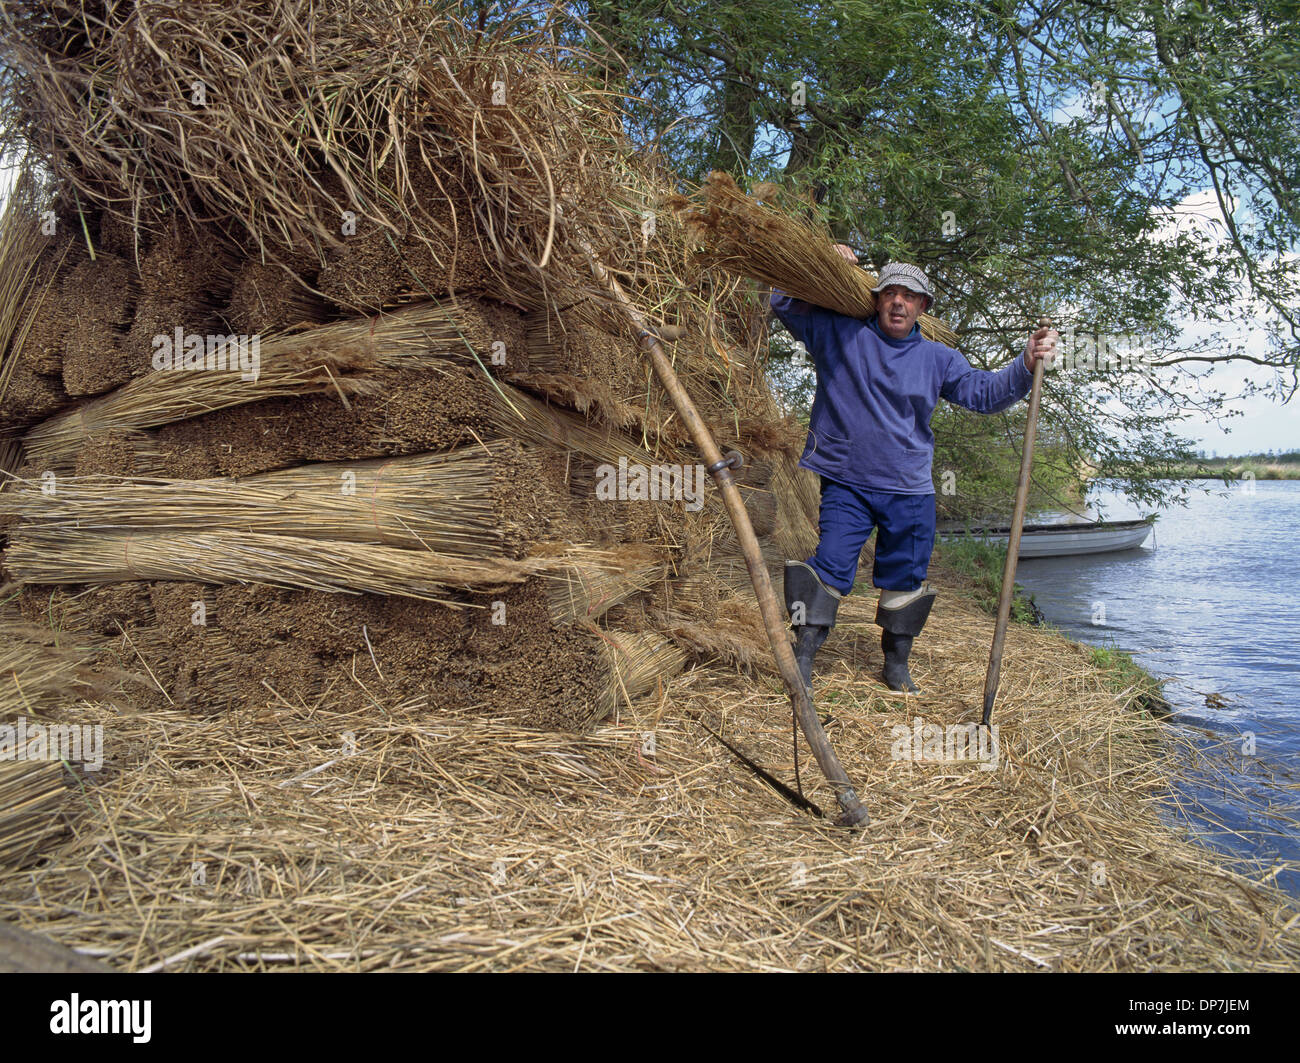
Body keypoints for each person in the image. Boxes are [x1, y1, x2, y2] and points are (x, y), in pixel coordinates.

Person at [772, 249, 1057, 694]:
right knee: (828, 565)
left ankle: (896, 665)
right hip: (848, 481)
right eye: (890, 294)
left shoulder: (938, 359)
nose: (899, 303)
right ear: (876, 300)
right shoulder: (839, 333)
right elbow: (783, 302)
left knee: (905, 578)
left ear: (923, 307)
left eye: (909, 296)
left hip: (909, 489)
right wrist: (828, 258)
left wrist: (1024, 363)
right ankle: (804, 654)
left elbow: (984, 394)